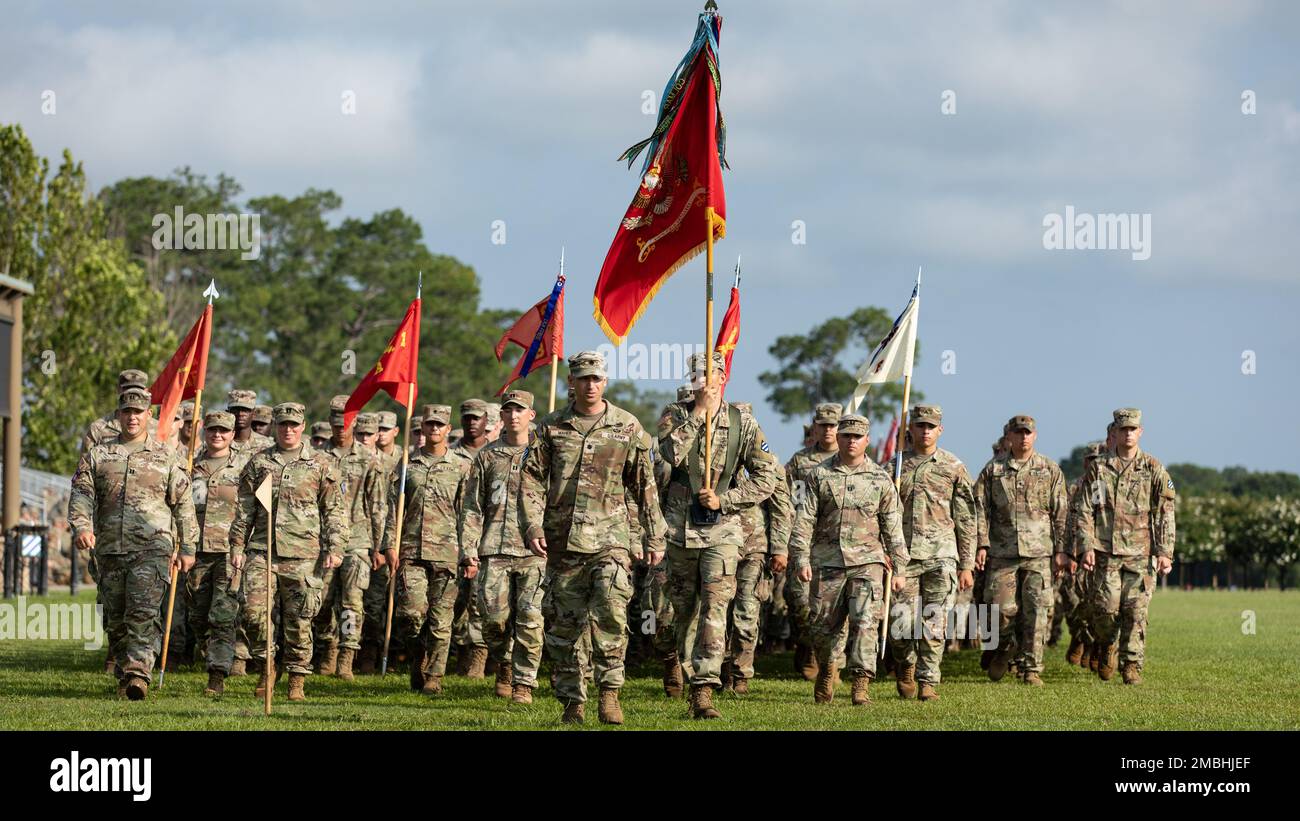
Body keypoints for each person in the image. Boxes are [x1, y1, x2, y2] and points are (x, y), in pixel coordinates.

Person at [520, 350, 666, 724]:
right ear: (571, 382)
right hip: (562, 540)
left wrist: (654, 535)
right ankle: (573, 699)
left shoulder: (626, 426)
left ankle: (610, 692)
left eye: (596, 378)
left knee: (611, 611)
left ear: (605, 382)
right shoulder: (552, 427)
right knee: (564, 623)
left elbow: (643, 485)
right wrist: (532, 525)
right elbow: (531, 480)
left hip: (611, 538)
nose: (589, 384)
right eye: (583, 378)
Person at [657, 351, 780, 718]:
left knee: (715, 606)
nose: (704, 381)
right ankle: (686, 667)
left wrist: (726, 499)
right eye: (697, 375)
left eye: (710, 375)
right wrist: (698, 415)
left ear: (723, 378)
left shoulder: (743, 423)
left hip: (722, 534)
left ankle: (704, 689)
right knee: (684, 612)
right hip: (678, 532)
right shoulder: (674, 415)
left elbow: (767, 476)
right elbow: (668, 454)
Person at [70, 387, 198, 700]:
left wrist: (189, 547)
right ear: (119, 414)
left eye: (138, 412)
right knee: (116, 618)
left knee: (143, 613)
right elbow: (82, 494)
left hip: (152, 549)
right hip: (110, 549)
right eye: (126, 411)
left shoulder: (165, 456)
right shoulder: (99, 455)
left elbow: (183, 503)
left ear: (147, 416)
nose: (132, 417)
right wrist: (82, 526)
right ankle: (125, 670)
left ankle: (138, 675)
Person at [229, 402, 347, 702]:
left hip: (303, 553)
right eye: (283, 424)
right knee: (253, 613)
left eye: (294, 424)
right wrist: (237, 545)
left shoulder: (319, 464)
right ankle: (268, 665)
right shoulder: (259, 463)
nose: (288, 429)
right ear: (275, 427)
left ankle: (296, 677)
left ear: (303, 426)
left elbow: (333, 510)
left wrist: (335, 546)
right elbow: (244, 508)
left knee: (300, 619)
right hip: (262, 550)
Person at [788, 414, 908, 705]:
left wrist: (900, 566)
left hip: (868, 562)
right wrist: (801, 559)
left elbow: (892, 524)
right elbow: (804, 520)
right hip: (827, 562)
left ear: (867, 440)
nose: (851, 441)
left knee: (865, 622)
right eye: (846, 435)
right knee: (823, 626)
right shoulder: (818, 475)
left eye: (857, 436)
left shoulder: (880, 479)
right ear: (838, 438)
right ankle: (828, 669)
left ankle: (861, 683)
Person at [1075, 408, 1175, 684]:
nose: (1128, 433)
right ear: (1115, 433)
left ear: (1140, 432)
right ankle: (1107, 643)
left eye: (1133, 429)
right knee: (1106, 610)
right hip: (1105, 553)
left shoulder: (1153, 468)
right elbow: (1085, 510)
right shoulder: (1099, 468)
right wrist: (1086, 547)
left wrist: (1165, 553)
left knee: (1136, 611)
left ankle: (1131, 666)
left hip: (1141, 555)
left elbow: (1164, 512)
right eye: (1123, 429)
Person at [887, 405, 976, 701]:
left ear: (940, 430)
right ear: (910, 428)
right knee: (901, 624)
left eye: (931, 426)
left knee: (934, 622)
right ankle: (907, 665)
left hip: (942, 555)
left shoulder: (953, 466)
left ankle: (928, 682)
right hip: (905, 558)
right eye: (920, 425)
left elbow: (966, 518)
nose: (925, 431)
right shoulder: (894, 467)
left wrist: (966, 564)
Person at [459, 389, 542, 703]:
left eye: (520, 410)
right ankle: (504, 662)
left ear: (530, 415)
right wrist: (469, 549)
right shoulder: (487, 455)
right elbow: (472, 507)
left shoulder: (542, 454)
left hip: (534, 551)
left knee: (530, 619)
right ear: (502, 416)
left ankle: (523, 684)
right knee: (493, 620)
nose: (514, 415)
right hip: (494, 549)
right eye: (508, 410)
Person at [973, 414, 1069, 685]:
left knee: (1036, 613)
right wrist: (981, 544)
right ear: (1009, 437)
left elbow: (1061, 513)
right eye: (1018, 433)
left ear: (1034, 436)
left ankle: (1031, 669)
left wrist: (1062, 550)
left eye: (1028, 432)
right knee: (999, 610)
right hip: (1002, 554)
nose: (1023, 437)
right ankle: (1004, 647)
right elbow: (979, 510)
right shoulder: (993, 471)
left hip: (1039, 554)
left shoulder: (1050, 470)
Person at [386, 404, 471, 695]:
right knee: (410, 614)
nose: (434, 429)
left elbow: (468, 512)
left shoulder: (461, 467)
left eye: (439, 425)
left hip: (448, 552)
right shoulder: (408, 463)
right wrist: (389, 545)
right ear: (422, 429)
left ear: (448, 429)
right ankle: (417, 655)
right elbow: (392, 508)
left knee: (441, 618)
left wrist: (469, 551)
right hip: (410, 550)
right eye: (429, 424)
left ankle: (434, 675)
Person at [315, 411, 387, 680]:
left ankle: (346, 656)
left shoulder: (369, 459)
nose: (340, 430)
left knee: (352, 602)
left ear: (354, 424)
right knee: (320, 602)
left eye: (345, 425)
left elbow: (378, 506)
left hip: (358, 540)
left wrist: (379, 546)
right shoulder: (317, 457)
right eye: (335, 425)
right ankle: (328, 647)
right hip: (323, 541)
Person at [186, 411, 250, 696]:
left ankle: (217, 674)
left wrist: (244, 546)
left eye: (224, 431)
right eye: (212, 430)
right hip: (197, 552)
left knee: (222, 615)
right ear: (204, 432)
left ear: (232, 434)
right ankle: (210, 652)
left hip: (229, 552)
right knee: (198, 616)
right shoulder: (190, 466)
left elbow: (254, 510)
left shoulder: (244, 469)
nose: (217, 435)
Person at [784, 402, 843, 680]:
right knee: (799, 602)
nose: (828, 430)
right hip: (805, 541)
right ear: (815, 427)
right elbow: (785, 502)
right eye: (823, 425)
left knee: (835, 604)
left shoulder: (851, 462)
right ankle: (807, 645)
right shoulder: (799, 462)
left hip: (838, 545)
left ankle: (831, 662)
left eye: (833, 425)